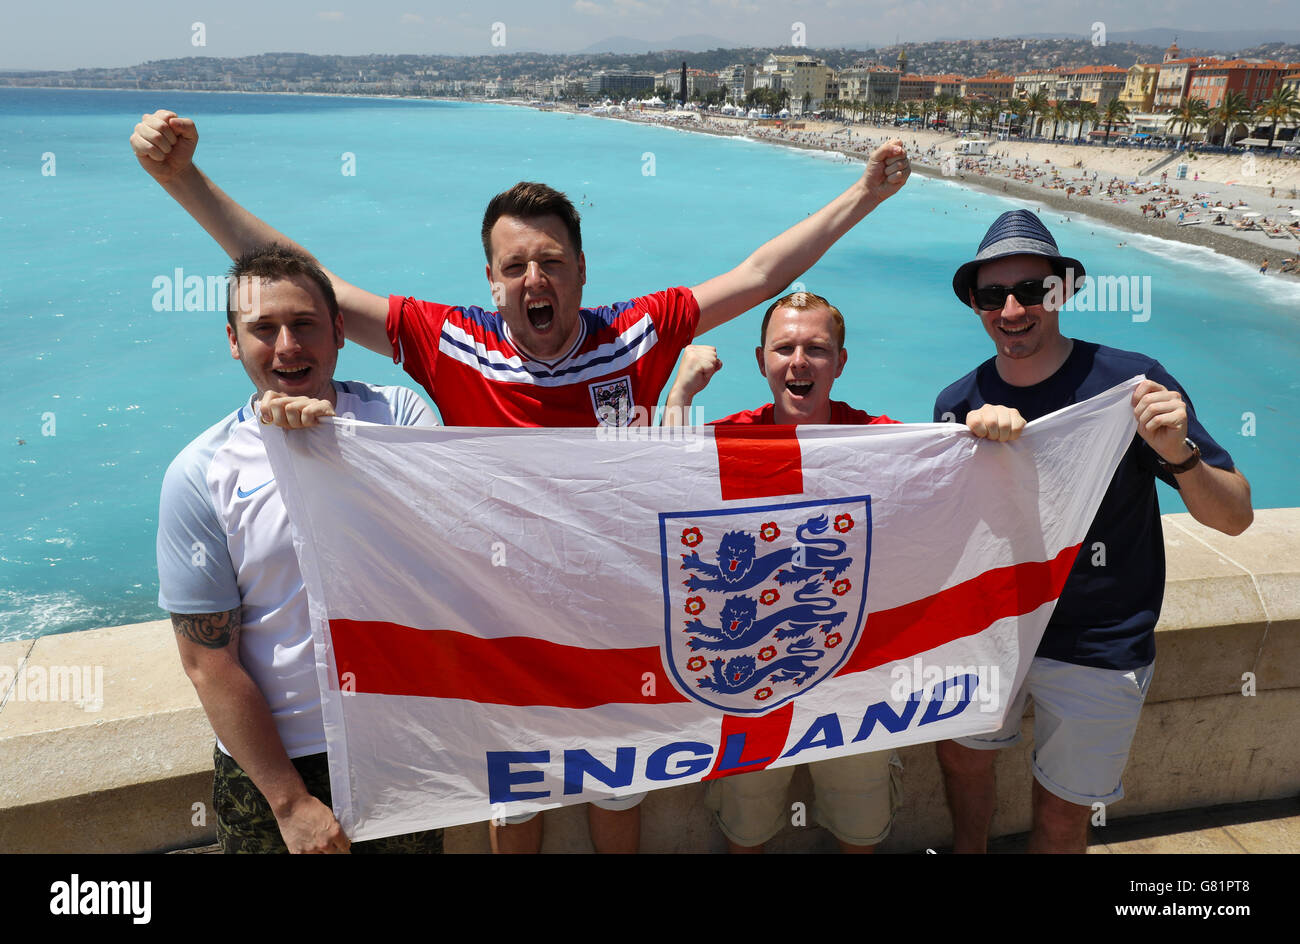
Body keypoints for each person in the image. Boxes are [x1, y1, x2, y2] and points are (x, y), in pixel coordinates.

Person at [131, 109, 911, 854]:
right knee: (514, 805)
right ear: (492, 280)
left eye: (550, 262)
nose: (533, 277)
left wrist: (865, 195)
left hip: (614, 622)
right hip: (502, 632)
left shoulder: (637, 332)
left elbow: (760, 271)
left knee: (620, 796)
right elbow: (312, 284)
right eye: (515, 266)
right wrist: (185, 182)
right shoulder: (453, 344)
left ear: (579, 271)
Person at [934, 209, 1253, 854]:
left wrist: (1180, 452)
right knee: (963, 767)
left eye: (1035, 290)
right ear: (974, 303)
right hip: (994, 628)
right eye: (994, 295)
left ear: (1065, 292)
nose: (1014, 308)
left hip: (1100, 642)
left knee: (1063, 812)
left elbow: (1235, 516)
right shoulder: (956, 402)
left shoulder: (1131, 384)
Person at [663, 291, 1023, 852]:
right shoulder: (734, 440)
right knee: (746, 834)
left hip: (857, 682)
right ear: (761, 361)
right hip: (750, 683)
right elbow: (658, 488)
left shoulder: (877, 441)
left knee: (861, 834)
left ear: (841, 362)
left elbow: (952, 480)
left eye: (816, 349)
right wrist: (681, 395)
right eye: (784, 348)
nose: (799, 362)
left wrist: (985, 433)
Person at [156, 244, 444, 854]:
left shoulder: (401, 415)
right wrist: (289, 802)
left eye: (304, 324)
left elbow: (437, 546)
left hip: (396, 740)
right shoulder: (199, 474)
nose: (287, 345)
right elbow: (209, 662)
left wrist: (330, 448)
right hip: (276, 764)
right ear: (234, 341)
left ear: (339, 331)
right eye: (264, 329)